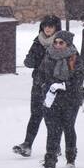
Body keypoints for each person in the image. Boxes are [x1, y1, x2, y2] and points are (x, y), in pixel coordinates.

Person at [34, 30, 84, 168]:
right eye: (56, 42)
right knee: (53, 131)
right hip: (51, 99)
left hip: (70, 100)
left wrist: (64, 86)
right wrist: (44, 86)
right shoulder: (49, 55)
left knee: (68, 128)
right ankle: (50, 163)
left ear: (67, 43)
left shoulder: (74, 58)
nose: (57, 45)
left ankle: (70, 157)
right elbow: (41, 74)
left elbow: (78, 79)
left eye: (61, 42)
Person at [13, 14, 61, 158]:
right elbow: (29, 60)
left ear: (55, 28)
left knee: (51, 118)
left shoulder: (61, 43)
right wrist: (30, 61)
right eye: (45, 26)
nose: (47, 29)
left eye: (50, 26)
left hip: (53, 86)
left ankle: (56, 146)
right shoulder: (37, 41)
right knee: (35, 115)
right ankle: (27, 145)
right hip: (38, 83)